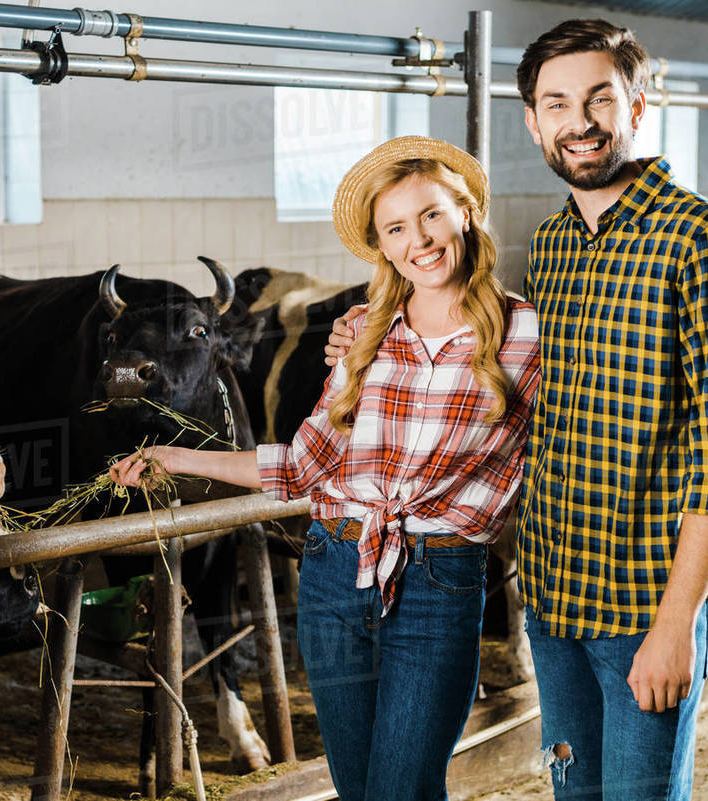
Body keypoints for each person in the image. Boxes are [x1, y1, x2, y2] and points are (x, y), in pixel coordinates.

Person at [326, 20, 708, 801]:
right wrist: (364, 338)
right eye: (557, 103)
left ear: (637, 103)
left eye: (600, 97)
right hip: (555, 599)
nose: (580, 121)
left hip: (643, 604)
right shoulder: (554, 244)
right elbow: (475, 356)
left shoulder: (702, 237)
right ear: (532, 121)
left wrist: (676, 626)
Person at [110, 135, 540, 801]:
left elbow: (572, 449)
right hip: (334, 572)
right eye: (395, 227)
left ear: (465, 213)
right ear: (382, 245)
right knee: (361, 790)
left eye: (431, 215)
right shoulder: (366, 330)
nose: (418, 239)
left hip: (439, 579)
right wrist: (172, 456)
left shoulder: (528, 334)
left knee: (403, 787)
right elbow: (306, 464)